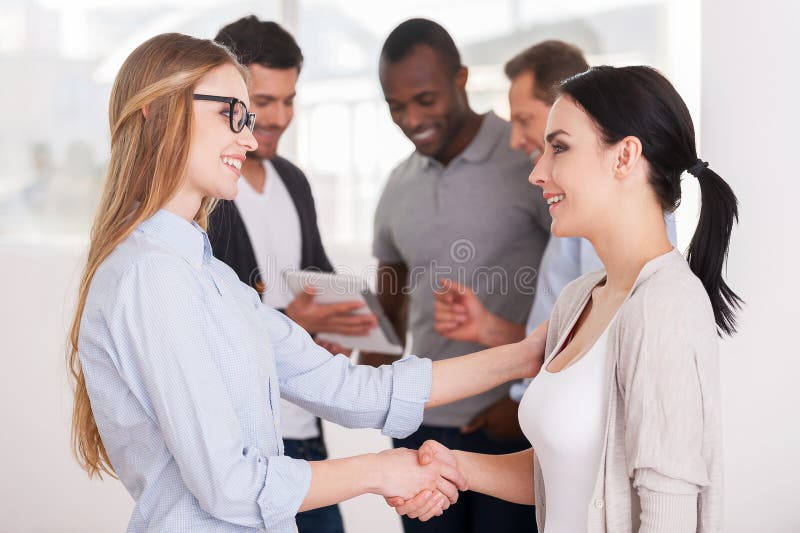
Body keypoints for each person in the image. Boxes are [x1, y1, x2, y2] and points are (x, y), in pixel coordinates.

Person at [66, 33, 549, 533]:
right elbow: (233, 488)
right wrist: (381, 471)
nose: (250, 139)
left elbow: (356, 390)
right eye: (231, 113)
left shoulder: (212, 279)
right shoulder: (152, 277)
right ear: (157, 111)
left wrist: (527, 353)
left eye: (247, 119)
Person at [390, 65, 740, 533]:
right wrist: (454, 466)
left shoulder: (666, 304)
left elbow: (668, 514)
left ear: (625, 157)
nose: (537, 173)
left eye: (558, 148)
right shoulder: (580, 298)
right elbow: (563, 470)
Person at [366, 18, 551, 533]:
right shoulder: (397, 184)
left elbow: (580, 287)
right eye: (396, 106)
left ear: (461, 79)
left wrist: (523, 399)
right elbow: (389, 298)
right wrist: (363, 379)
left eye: (425, 99)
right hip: (421, 429)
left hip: (510, 422)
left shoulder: (528, 162)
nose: (411, 119)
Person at [434, 42, 676, 403]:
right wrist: (489, 329)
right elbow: (563, 337)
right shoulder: (577, 227)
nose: (516, 141)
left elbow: (600, 352)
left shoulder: (639, 268)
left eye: (525, 120)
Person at [210, 17, 370, 533]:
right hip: (244, 441)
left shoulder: (294, 181)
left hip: (303, 426)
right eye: (263, 101)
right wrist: (288, 319)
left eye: (289, 100)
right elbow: (205, 319)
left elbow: (313, 275)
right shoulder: (209, 191)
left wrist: (328, 328)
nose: (278, 117)